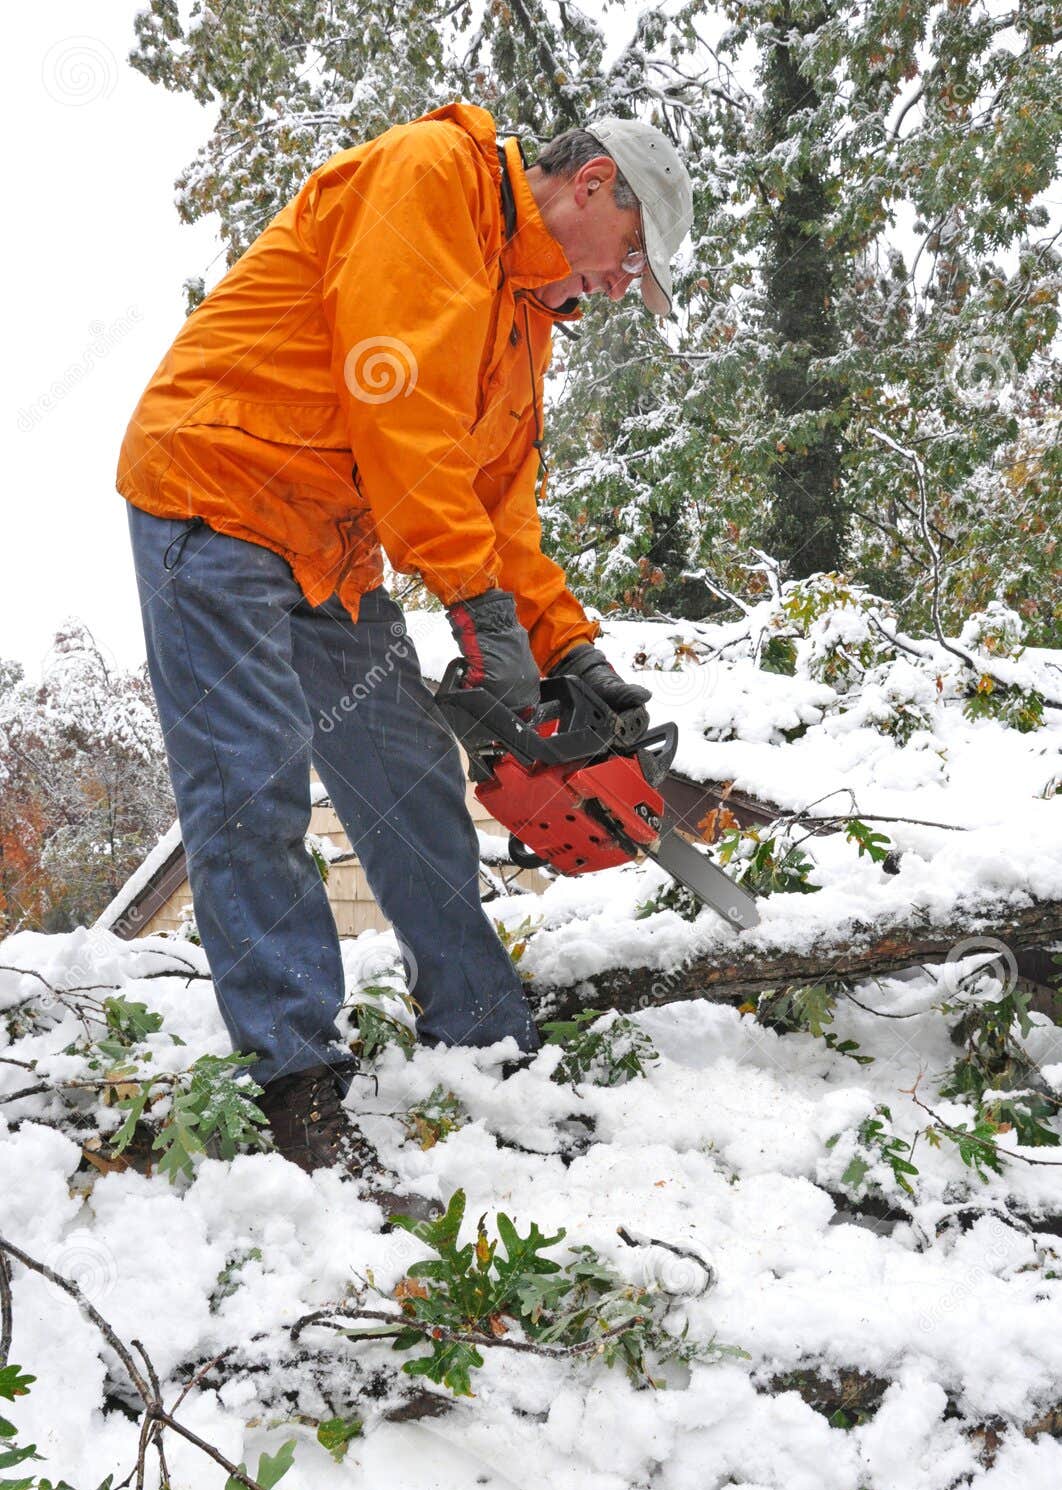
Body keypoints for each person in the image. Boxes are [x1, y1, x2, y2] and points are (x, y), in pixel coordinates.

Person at [116, 102, 694, 1176]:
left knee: (410, 771)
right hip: (216, 490)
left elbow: (500, 506)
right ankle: (292, 1086)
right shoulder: (438, 177)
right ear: (596, 186)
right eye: (633, 260)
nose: (621, 287)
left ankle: (481, 1035)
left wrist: (569, 650)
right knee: (254, 789)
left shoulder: (525, 321)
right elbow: (398, 406)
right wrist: (475, 610)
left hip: (329, 542)